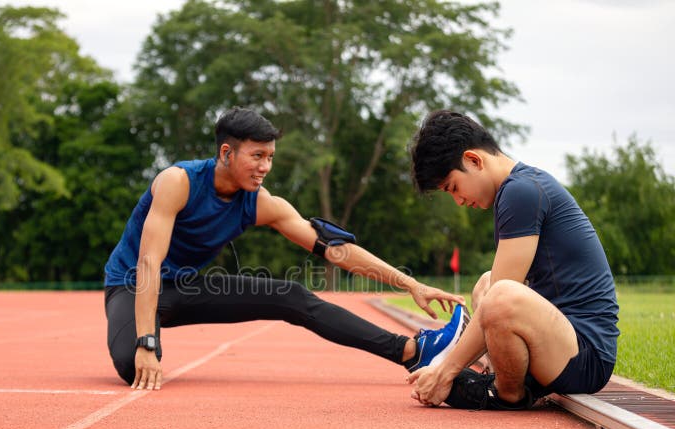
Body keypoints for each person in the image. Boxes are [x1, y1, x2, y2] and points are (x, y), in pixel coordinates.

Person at [104, 106, 468, 390]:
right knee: (129, 363)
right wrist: (147, 343)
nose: (266, 167)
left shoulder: (259, 202)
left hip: (184, 287)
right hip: (132, 283)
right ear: (227, 153)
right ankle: (146, 336)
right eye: (257, 156)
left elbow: (334, 249)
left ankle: (412, 351)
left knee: (291, 295)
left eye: (271, 157)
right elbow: (149, 262)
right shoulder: (177, 182)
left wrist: (411, 284)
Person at [406, 110, 619, 410]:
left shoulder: (521, 192)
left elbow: (501, 299)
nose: (459, 201)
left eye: (453, 187)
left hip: (585, 356)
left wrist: (445, 371)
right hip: (562, 342)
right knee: (487, 284)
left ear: (474, 160)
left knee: (499, 293)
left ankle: (507, 393)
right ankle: (505, 379)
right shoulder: (518, 187)